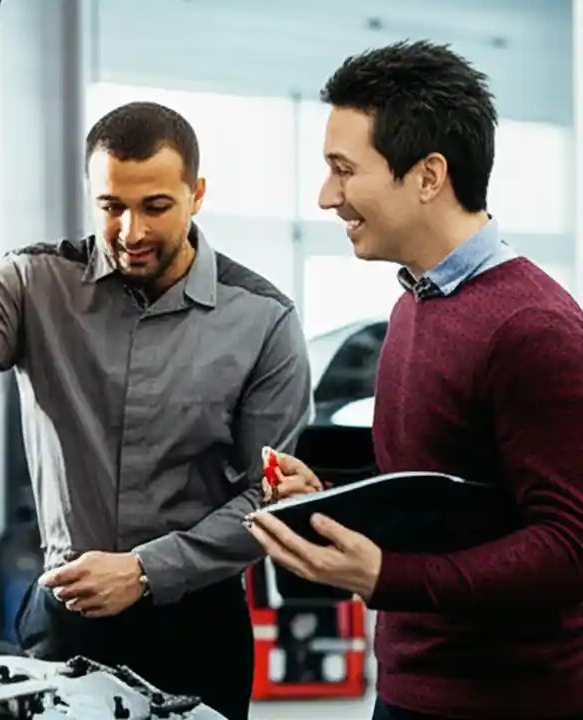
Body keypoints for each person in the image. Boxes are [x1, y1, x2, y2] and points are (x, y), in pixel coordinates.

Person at [0, 100, 312, 720]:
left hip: (198, 628)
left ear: (196, 194)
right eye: (111, 206)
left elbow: (268, 497)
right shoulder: (34, 282)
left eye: (155, 207)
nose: (131, 232)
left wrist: (146, 570)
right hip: (66, 616)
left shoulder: (264, 321)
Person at [246, 40, 583, 720]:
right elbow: (446, 492)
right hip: (408, 691)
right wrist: (337, 498)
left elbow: (570, 546)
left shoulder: (535, 328)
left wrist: (385, 577)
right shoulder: (414, 306)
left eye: (344, 169)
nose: (326, 195)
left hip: (510, 707)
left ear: (429, 176)